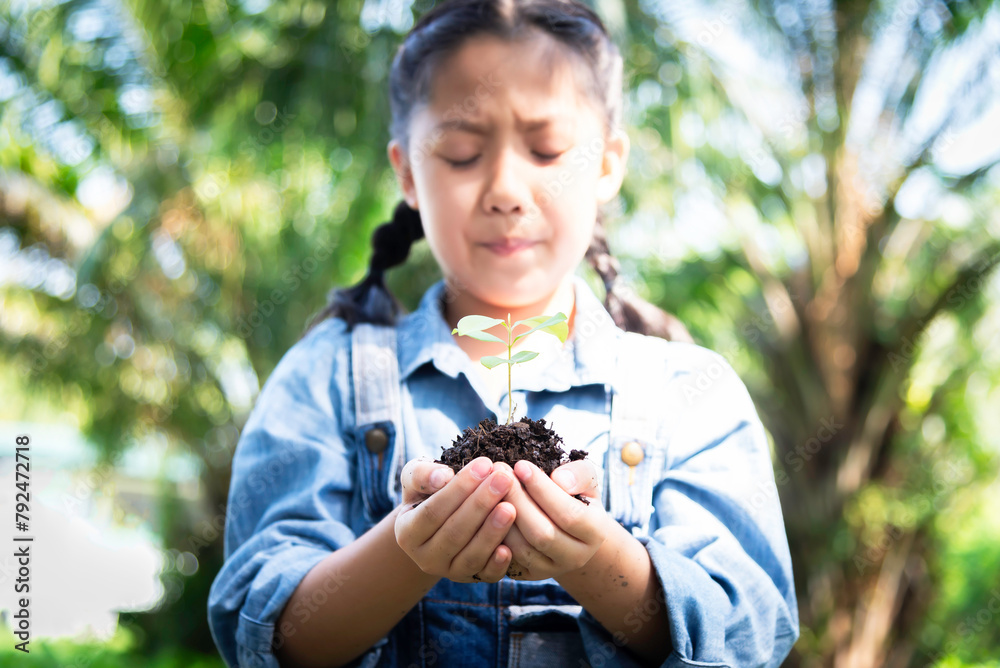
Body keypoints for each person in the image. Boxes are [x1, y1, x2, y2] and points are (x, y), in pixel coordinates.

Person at [207, 0, 799, 666]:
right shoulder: (326, 379)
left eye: (546, 149)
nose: (506, 189)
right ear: (406, 172)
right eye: (461, 153)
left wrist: (596, 558)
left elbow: (748, 632)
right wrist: (407, 550)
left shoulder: (692, 394)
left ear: (606, 163)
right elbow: (263, 630)